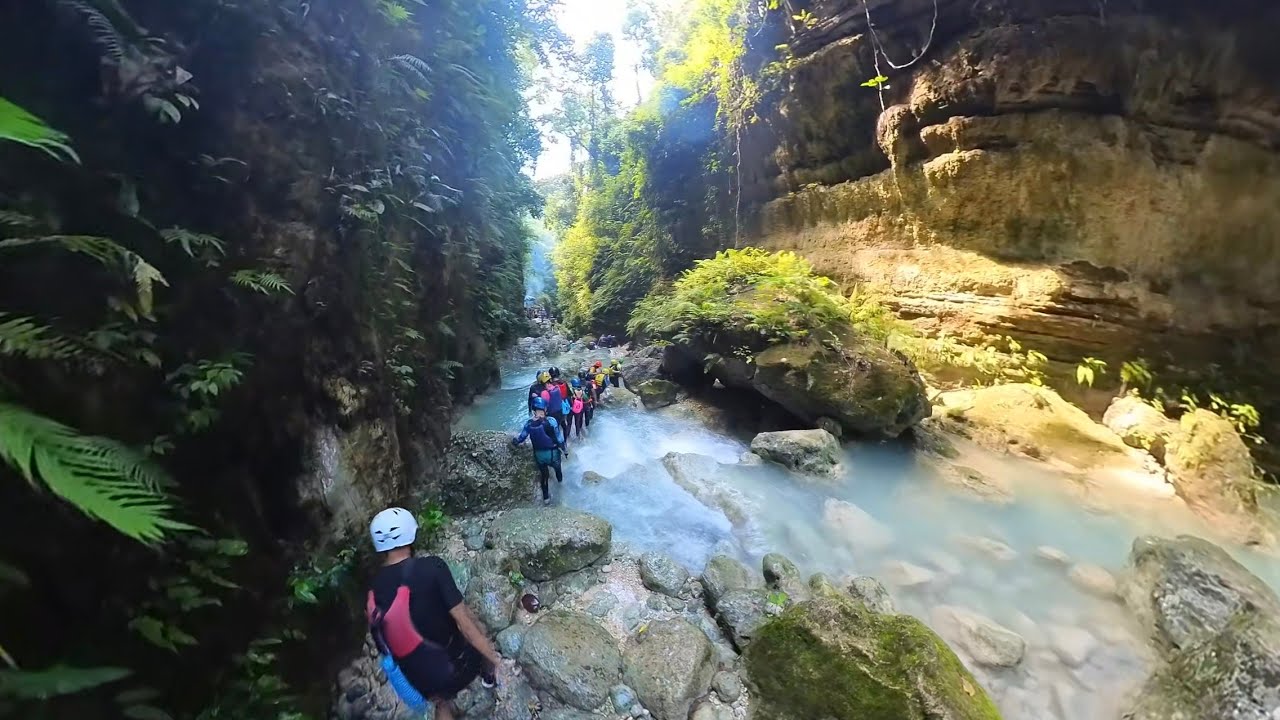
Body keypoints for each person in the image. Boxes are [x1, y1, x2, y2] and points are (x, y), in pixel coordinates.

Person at [365, 507, 504, 720]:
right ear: (410, 534)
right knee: (473, 621)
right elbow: (465, 624)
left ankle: (441, 702)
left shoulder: (374, 588)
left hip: (415, 679)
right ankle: (488, 675)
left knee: (440, 698)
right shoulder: (433, 567)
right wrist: (495, 660)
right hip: (454, 670)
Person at [512, 397, 568, 505]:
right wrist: (565, 450)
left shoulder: (529, 424)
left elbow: (521, 437)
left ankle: (546, 499)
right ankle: (560, 485)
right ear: (545, 409)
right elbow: (559, 438)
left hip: (539, 455)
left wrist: (515, 441)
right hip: (553, 454)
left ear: (533, 411)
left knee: (544, 476)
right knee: (558, 470)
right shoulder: (551, 421)